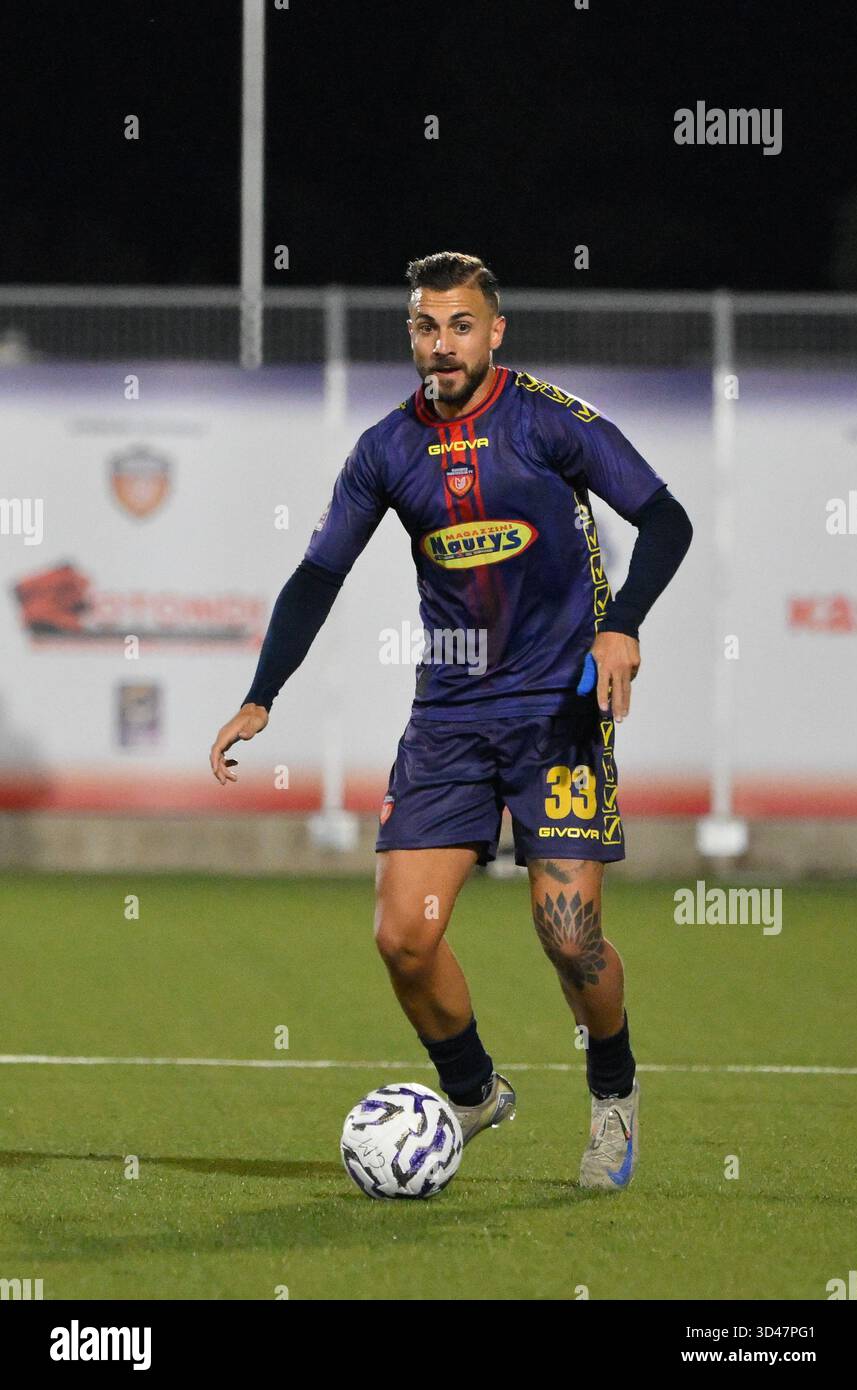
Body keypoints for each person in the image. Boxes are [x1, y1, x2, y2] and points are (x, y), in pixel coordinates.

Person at [210, 252, 693, 1190]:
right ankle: (472, 1093)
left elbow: (666, 519)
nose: (443, 345)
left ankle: (614, 1093)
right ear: (412, 334)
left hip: (558, 709)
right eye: (427, 327)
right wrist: (262, 692)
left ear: (494, 330)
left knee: (568, 936)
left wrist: (622, 625)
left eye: (461, 325)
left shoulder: (550, 421)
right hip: (451, 717)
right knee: (403, 937)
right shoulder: (387, 449)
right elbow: (319, 577)